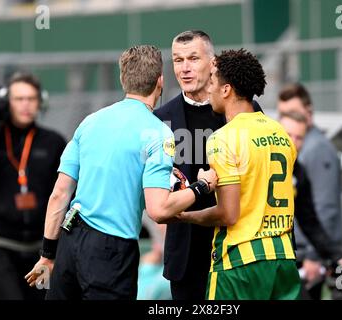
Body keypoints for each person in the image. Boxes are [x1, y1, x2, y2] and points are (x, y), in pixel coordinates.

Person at [25, 45, 217, 300]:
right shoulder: (158, 133)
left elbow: (60, 194)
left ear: (122, 79)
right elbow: (158, 210)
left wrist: (48, 255)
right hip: (111, 249)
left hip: (69, 243)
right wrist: (201, 186)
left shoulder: (90, 121)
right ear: (160, 80)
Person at [179, 49, 300, 300]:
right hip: (283, 258)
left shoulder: (222, 138)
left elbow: (228, 213)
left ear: (226, 89)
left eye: (212, 81)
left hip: (240, 263)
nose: (209, 89)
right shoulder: (280, 133)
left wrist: (186, 215)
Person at [154, 30, 262, 300]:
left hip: (237, 251)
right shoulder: (160, 119)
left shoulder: (244, 112)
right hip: (186, 258)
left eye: (193, 58)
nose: (185, 68)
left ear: (213, 63)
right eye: (178, 60)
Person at [0, 73, 66, 300]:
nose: (26, 105)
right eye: (19, 99)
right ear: (7, 103)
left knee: (42, 298)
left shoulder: (53, 142)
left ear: (40, 102)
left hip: (41, 249)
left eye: (31, 99)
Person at [277, 83, 342, 300]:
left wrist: (331, 255)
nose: (293, 143)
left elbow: (316, 214)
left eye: (299, 138)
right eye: (288, 135)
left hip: (298, 258)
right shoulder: (268, 161)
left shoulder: (305, 162)